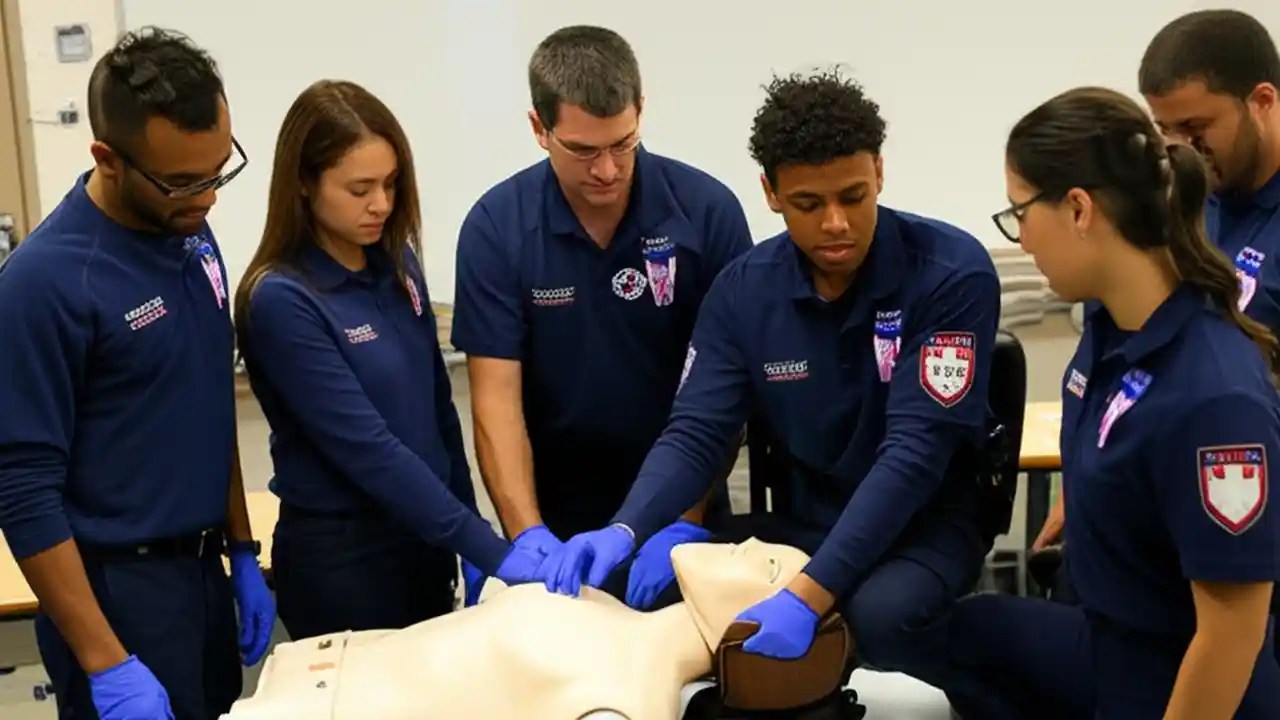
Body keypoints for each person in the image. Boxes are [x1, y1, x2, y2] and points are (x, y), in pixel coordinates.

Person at [541, 67, 1004, 691]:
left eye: (854, 195)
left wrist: (809, 596)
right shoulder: (743, 290)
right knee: (627, 586)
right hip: (805, 520)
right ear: (770, 192)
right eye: (809, 204)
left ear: (880, 174)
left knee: (880, 617)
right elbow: (696, 432)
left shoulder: (950, 272)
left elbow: (915, 456)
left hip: (922, 524)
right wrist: (626, 529)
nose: (836, 223)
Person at [946, 86, 1280, 720]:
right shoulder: (1111, 323)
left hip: (1178, 681)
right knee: (948, 632)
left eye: (1020, 213)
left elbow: (1232, 636)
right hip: (1112, 637)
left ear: (1078, 209)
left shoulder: (1215, 398)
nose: (1020, 241)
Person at [0, 27, 274, 720]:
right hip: (118, 597)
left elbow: (207, 396)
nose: (209, 197)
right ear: (108, 158)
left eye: (219, 170)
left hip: (203, 574)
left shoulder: (187, 226)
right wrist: (106, 661)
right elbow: (23, 491)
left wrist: (242, 550)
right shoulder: (45, 283)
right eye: (184, 181)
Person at [233, 80, 551, 640]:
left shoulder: (395, 262)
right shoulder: (282, 299)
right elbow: (369, 449)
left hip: (422, 545)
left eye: (390, 183)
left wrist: (467, 524)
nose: (381, 203)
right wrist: (488, 548)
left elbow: (436, 409)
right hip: (345, 564)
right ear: (304, 185)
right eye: (359, 189)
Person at [449, 24, 754, 605]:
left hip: (682, 505)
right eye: (583, 151)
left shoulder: (707, 214)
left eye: (623, 143)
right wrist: (528, 533)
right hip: (556, 514)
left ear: (641, 112)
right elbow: (495, 402)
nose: (607, 171)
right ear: (539, 129)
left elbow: (722, 397)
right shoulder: (497, 229)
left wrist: (676, 526)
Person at [1033, 8, 1280, 556]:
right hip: (1142, 495)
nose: (1181, 149)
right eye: (1164, 130)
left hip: (1244, 502)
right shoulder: (1174, 197)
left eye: (1196, 129)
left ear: (1262, 101)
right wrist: (1084, 480)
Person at [222, 538, 827, 720]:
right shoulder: (607, 604)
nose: (748, 541)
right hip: (313, 665)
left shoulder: (631, 701)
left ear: (754, 629)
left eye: (769, 563)